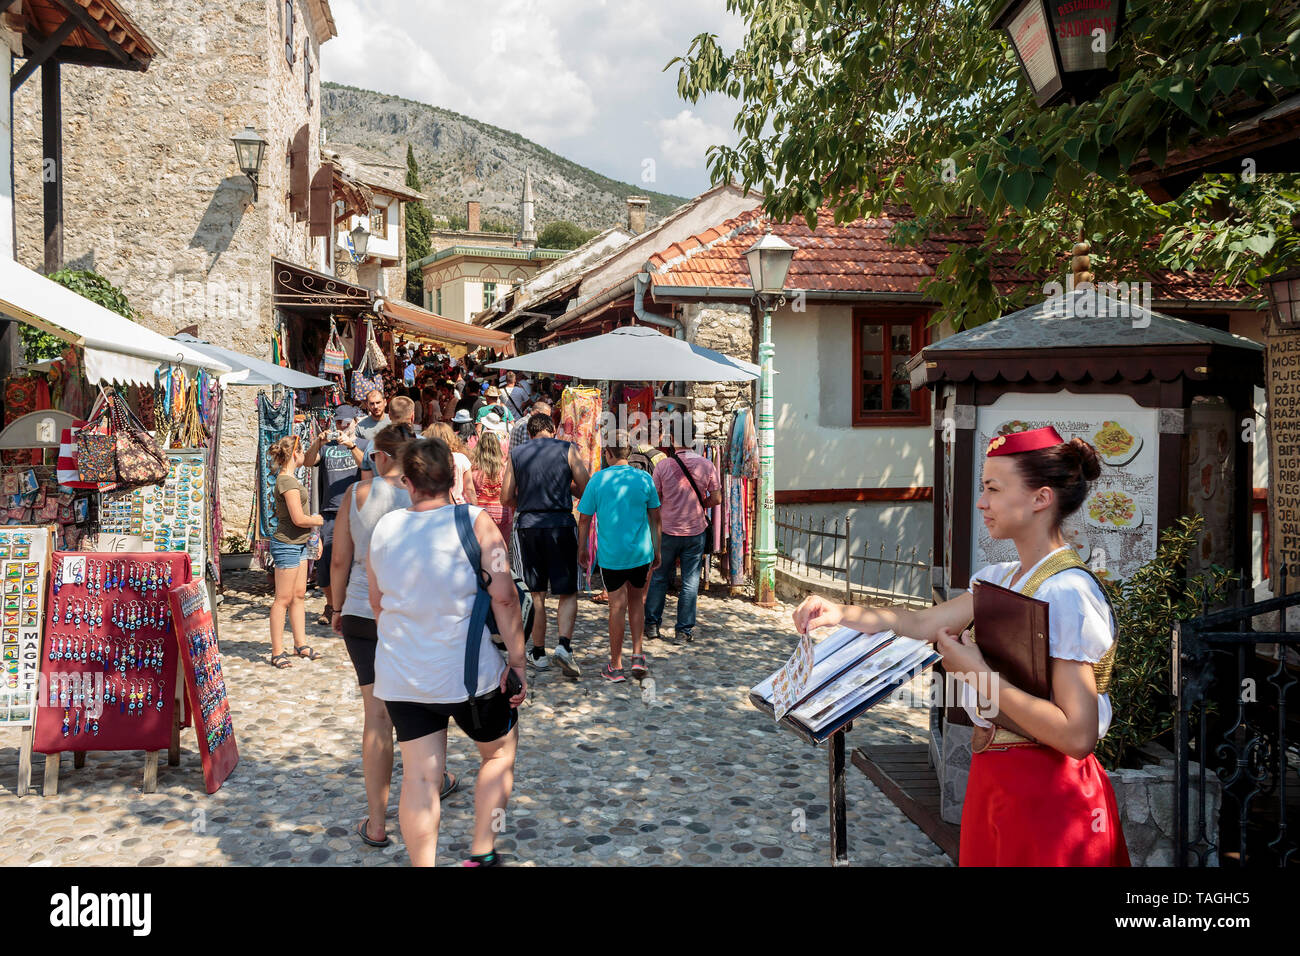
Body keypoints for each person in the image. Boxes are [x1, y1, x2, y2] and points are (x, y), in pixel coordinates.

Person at [792, 427, 1129, 866]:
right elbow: (920, 623)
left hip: (1047, 793)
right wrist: (840, 611)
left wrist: (973, 672)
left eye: (993, 489)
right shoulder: (1005, 578)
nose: (981, 502)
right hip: (1000, 778)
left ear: (1040, 499)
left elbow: (1077, 735)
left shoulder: (1066, 592)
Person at [367, 437, 527, 867]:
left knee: (420, 777)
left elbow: (378, 601)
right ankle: (481, 851)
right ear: (455, 476)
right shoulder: (478, 524)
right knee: (498, 754)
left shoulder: (386, 528)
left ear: (408, 482)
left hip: (404, 675)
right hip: (471, 676)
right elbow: (506, 597)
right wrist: (517, 661)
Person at [328, 424, 459, 848]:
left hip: (364, 613)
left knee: (377, 717)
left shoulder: (357, 496)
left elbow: (339, 561)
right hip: (417, 611)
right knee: (428, 700)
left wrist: (335, 607)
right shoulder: (430, 493)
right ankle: (432, 779)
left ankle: (378, 821)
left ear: (382, 456)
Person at [501, 412, 590, 677]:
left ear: (529, 433)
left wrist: (526, 503)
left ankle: (538, 652)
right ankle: (563, 645)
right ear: (553, 430)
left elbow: (506, 496)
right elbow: (586, 487)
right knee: (567, 592)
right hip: (561, 524)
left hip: (528, 527)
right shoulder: (567, 449)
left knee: (536, 592)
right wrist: (566, 488)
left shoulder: (517, 454)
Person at [577, 434, 661, 682]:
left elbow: (584, 518)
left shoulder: (598, 480)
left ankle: (615, 665)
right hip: (641, 553)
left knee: (617, 606)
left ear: (608, 454)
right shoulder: (644, 478)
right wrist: (658, 549)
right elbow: (656, 517)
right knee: (637, 602)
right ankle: (637, 656)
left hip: (612, 555)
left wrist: (582, 549)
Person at [645, 437, 721, 643]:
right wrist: (701, 503)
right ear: (693, 439)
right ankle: (683, 631)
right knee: (690, 582)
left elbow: (654, 498)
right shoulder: (707, 465)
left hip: (667, 531)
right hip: (695, 531)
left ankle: (652, 626)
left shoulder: (662, 465)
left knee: (659, 578)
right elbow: (717, 498)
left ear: (672, 439)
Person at [303, 405, 366, 626]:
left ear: (355, 423)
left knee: (354, 562)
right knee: (326, 563)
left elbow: (365, 465)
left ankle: (348, 605)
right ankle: (330, 604)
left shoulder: (362, 444)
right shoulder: (326, 445)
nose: (342, 426)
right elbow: (307, 462)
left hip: (355, 511)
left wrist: (352, 446)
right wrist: (317, 443)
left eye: (346, 423)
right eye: (338, 422)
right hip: (329, 512)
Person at [267, 435, 326, 668]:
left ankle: (299, 643)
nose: (306, 457)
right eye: (302, 452)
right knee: (282, 599)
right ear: (295, 454)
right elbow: (298, 518)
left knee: (299, 595)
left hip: (300, 543)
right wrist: (319, 522)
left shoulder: (291, 478)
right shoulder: (287, 482)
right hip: (287, 545)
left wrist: (314, 537)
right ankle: (277, 651)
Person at [470, 430, 511, 542]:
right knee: (502, 550)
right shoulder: (505, 469)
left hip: (481, 515)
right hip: (502, 514)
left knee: (482, 551)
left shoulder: (474, 470)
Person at [427, 422, 477, 505]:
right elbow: (469, 489)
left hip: (435, 507)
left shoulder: (427, 460)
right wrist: (475, 507)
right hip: (458, 507)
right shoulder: (461, 458)